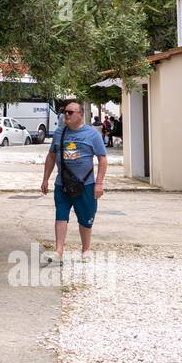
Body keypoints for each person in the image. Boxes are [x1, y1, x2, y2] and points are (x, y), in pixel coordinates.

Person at [40, 99, 107, 264]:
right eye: (65, 112)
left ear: (80, 115)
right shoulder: (59, 133)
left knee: (85, 219)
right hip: (62, 184)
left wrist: (99, 183)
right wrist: (45, 179)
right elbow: (51, 156)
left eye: (70, 112)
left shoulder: (92, 134)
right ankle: (58, 251)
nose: (66, 115)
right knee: (61, 216)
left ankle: (86, 250)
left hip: (86, 185)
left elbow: (102, 159)